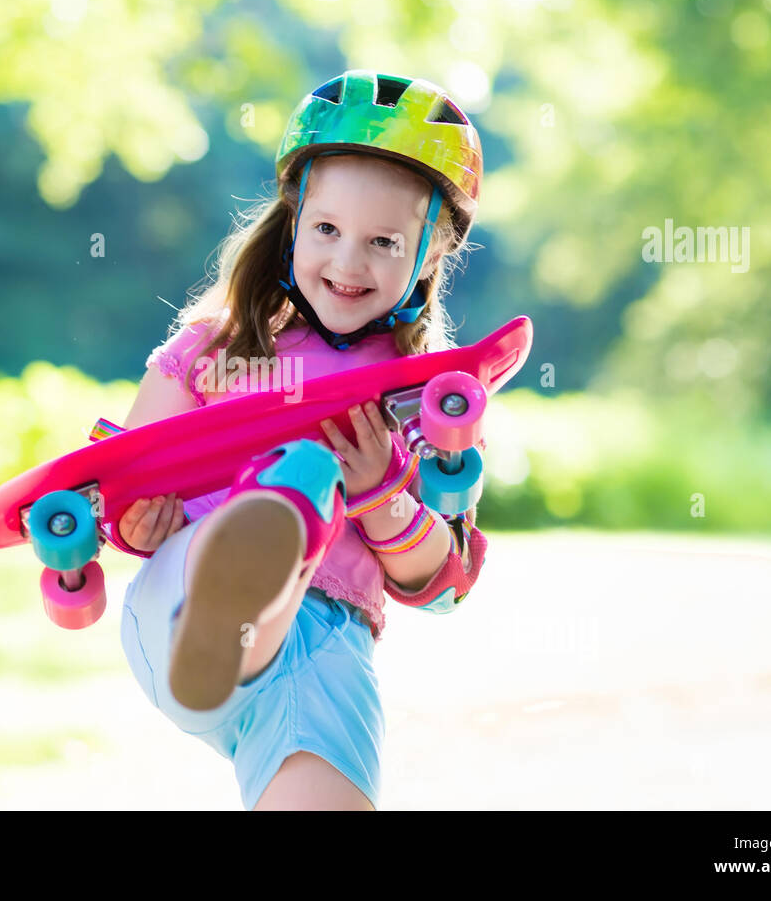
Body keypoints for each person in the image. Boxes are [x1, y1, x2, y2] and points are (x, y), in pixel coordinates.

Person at [113, 69, 490, 810]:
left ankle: (253, 605)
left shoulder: (424, 397)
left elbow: (443, 582)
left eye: (383, 241)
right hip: (180, 607)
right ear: (294, 221)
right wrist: (136, 521)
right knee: (306, 470)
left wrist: (384, 493)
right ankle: (237, 608)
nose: (348, 264)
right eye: (327, 230)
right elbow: (124, 479)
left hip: (324, 659)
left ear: (429, 256)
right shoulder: (210, 353)